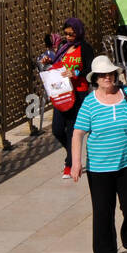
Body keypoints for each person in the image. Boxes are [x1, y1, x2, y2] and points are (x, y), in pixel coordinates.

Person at [70, 55, 127, 253]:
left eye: (110, 74)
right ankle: (106, 251)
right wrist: (76, 163)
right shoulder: (89, 103)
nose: (107, 78)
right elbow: (78, 134)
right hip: (99, 167)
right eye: (102, 75)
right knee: (102, 210)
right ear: (95, 79)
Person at [39, 16, 94, 178]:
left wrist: (75, 73)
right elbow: (57, 65)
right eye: (66, 34)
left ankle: (70, 163)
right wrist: (49, 60)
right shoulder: (64, 47)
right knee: (57, 129)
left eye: (72, 34)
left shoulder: (85, 48)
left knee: (71, 129)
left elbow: (91, 71)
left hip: (78, 92)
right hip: (62, 92)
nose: (69, 37)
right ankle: (71, 153)